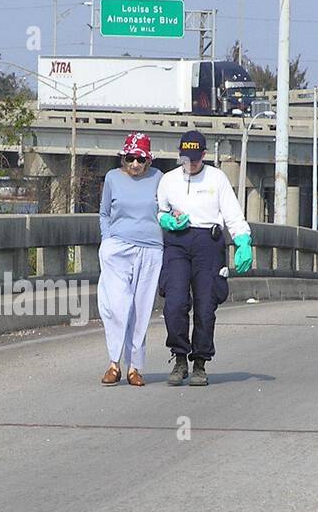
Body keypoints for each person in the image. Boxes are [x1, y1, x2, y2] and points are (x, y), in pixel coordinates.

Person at [155, 130, 253, 387]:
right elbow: (160, 210)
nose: (191, 163)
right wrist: (166, 220)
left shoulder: (217, 179)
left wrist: (243, 240)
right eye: (186, 158)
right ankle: (179, 357)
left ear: (204, 155)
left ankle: (200, 361)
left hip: (208, 245)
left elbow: (232, 214)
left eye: (195, 159)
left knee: (205, 306)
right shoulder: (168, 180)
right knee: (174, 303)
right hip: (177, 243)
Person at [97, 132, 163, 386]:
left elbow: (167, 207)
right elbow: (104, 212)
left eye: (140, 159)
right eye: (130, 158)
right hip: (118, 248)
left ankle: (135, 367)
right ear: (123, 157)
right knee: (116, 305)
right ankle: (114, 362)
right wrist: (107, 241)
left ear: (149, 160)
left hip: (151, 248)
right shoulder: (112, 178)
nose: (135, 164)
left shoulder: (159, 178)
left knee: (141, 309)